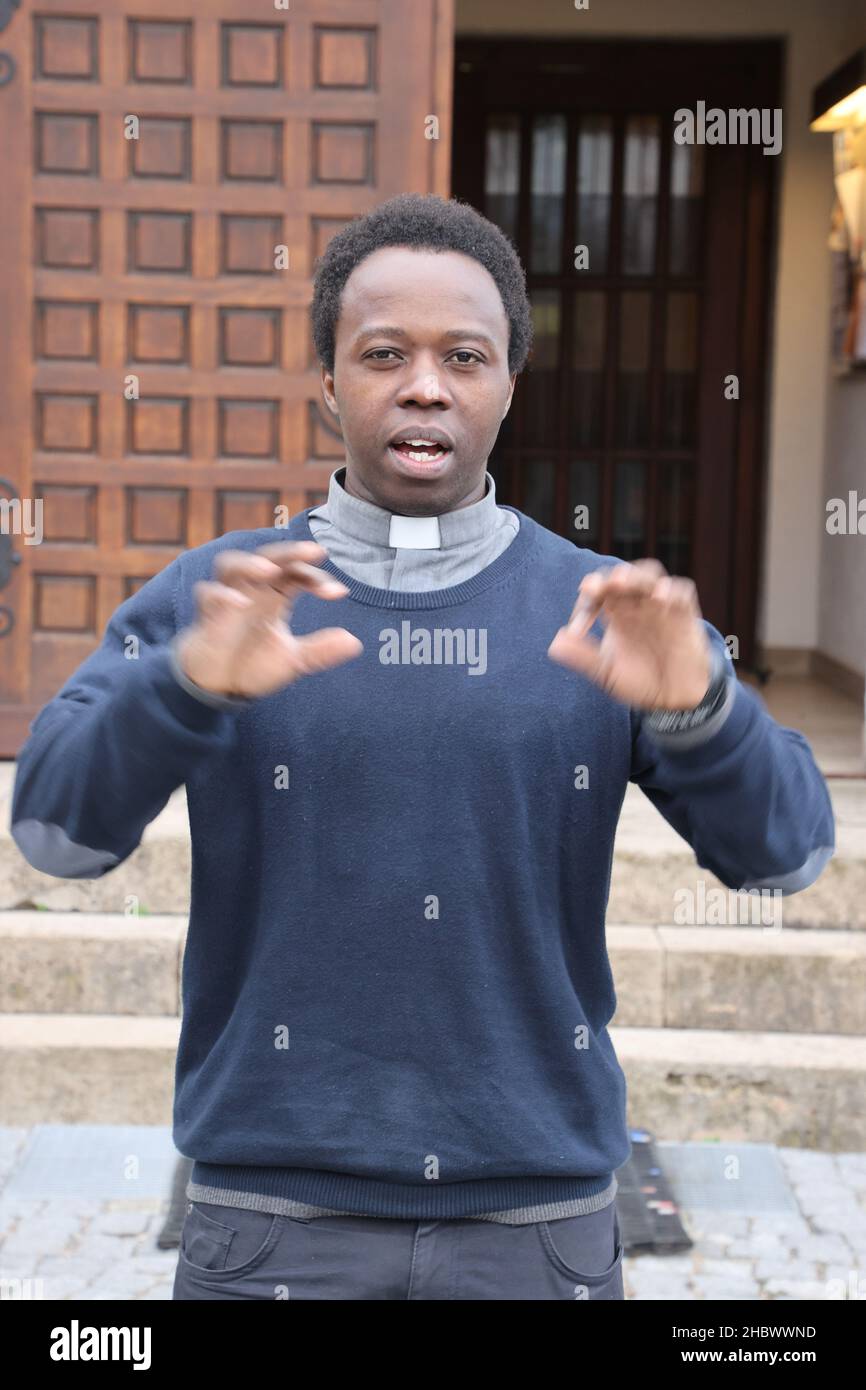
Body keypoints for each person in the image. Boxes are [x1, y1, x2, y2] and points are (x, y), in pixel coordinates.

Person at [10, 193, 835, 1301]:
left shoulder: (601, 611)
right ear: (328, 383)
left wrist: (699, 712)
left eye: (465, 355)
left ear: (506, 386)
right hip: (268, 1222)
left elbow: (788, 860)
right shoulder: (224, 599)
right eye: (382, 353)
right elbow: (55, 839)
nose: (424, 385)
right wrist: (184, 685)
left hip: (535, 1226)